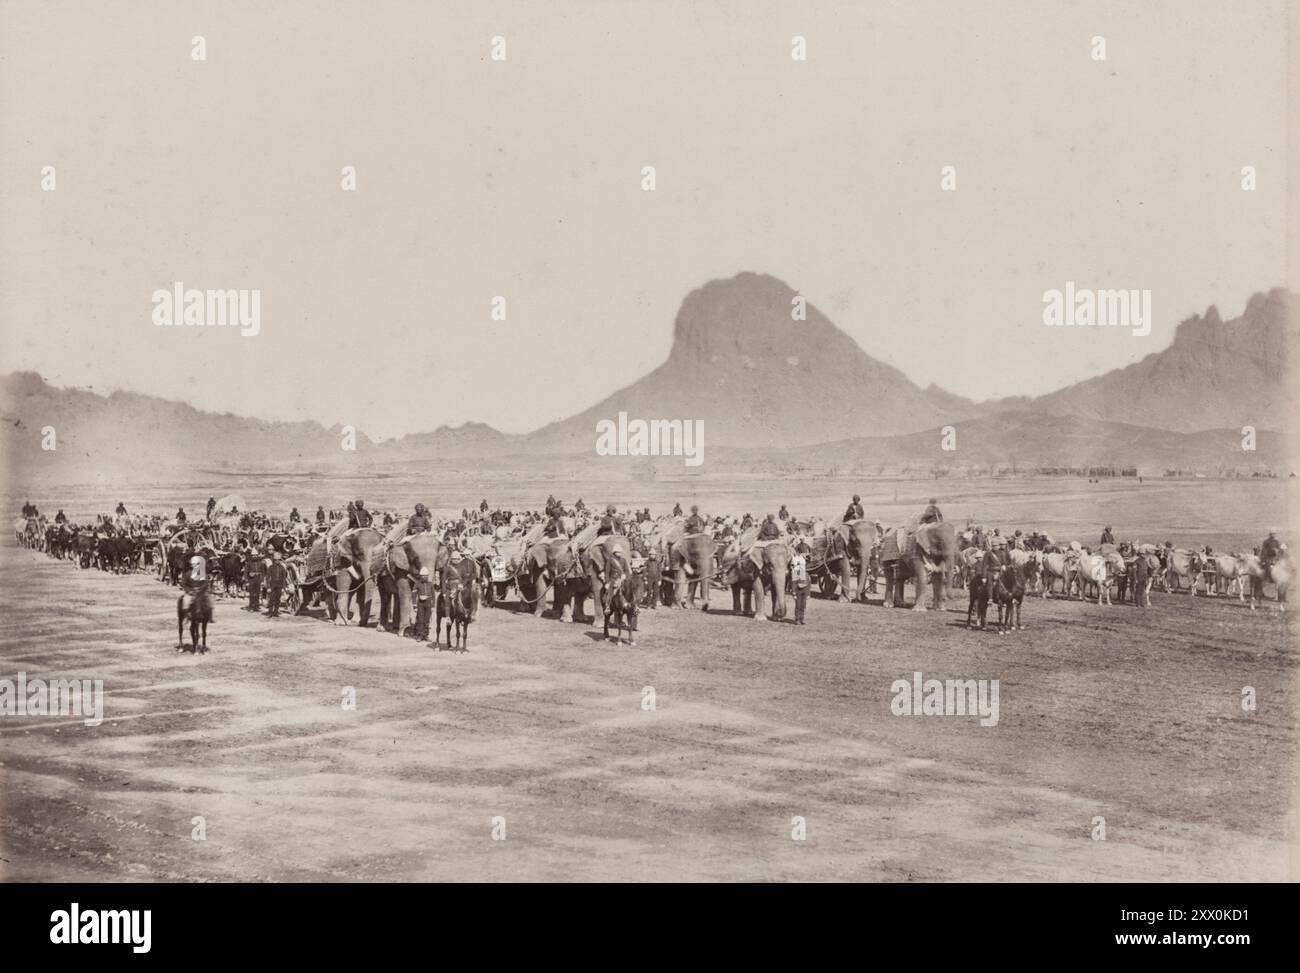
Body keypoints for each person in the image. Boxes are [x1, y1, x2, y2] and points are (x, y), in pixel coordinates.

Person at [791, 538, 812, 625]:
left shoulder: (806, 574)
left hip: (804, 591)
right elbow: (793, 582)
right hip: (798, 591)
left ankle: (802, 619)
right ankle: (797, 619)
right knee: (798, 605)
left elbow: (808, 584)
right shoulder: (797, 571)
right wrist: (794, 593)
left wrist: (808, 594)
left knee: (803, 606)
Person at [266, 550, 287, 617]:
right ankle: (270, 612)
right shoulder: (271, 567)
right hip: (272, 584)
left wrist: (283, 588)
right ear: (274, 560)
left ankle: (276, 611)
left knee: (278, 599)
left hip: (279, 584)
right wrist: (268, 587)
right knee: (271, 598)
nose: (277, 561)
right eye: (276, 560)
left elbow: (284, 578)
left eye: (278, 560)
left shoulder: (282, 568)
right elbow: (268, 577)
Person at [414, 567, 433, 640]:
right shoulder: (417, 584)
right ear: (420, 576)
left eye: (425, 575)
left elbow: (433, 595)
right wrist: (414, 606)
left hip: (428, 603)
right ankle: (420, 635)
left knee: (427, 620)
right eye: (422, 575)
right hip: (420, 603)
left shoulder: (430, 584)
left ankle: (425, 635)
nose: (424, 577)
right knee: (420, 620)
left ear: (427, 576)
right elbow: (414, 594)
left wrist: (433, 606)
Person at [246, 547, 265, 612]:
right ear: (251, 556)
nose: (254, 556)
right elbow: (246, 572)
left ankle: (256, 606)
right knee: (251, 593)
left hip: (258, 579)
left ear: (257, 555)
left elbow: (263, 572)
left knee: (257, 593)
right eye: (253, 555)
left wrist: (262, 580)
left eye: (255, 555)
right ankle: (251, 606)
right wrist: (247, 581)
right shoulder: (248, 563)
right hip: (251, 579)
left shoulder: (260, 563)